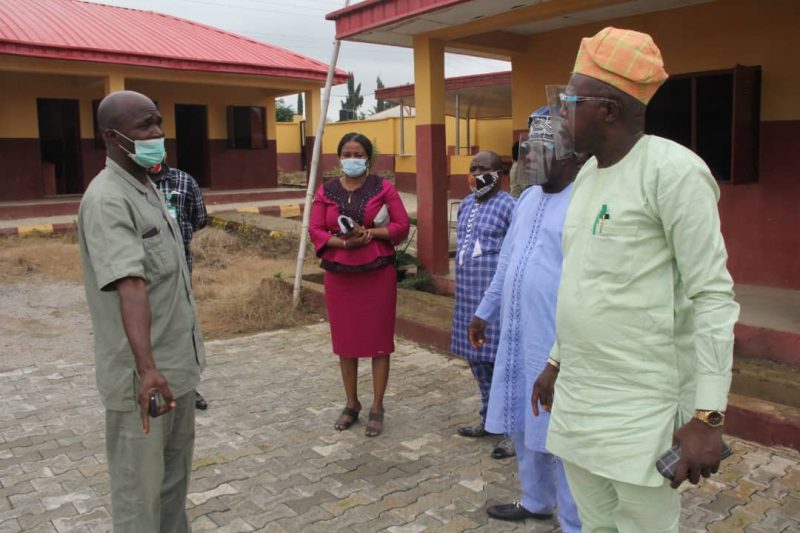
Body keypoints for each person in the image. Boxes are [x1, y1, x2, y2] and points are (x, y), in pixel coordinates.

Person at [532, 27, 739, 532]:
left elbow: (713, 296)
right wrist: (556, 361)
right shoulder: (586, 177)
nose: (560, 112)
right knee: (593, 524)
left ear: (607, 109)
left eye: (568, 100)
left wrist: (708, 416)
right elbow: (585, 282)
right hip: (581, 399)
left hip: (641, 409)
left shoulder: (674, 173)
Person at [78, 90, 205, 531]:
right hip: (144, 381)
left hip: (176, 371)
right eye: (144, 126)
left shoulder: (148, 186)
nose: (157, 133)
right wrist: (148, 369)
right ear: (113, 137)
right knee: (139, 499)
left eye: (158, 123)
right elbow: (130, 284)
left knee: (172, 487)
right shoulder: (108, 198)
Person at [468, 109, 581, 530]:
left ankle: (574, 522)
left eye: (539, 149)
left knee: (562, 433)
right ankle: (536, 501)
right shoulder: (527, 199)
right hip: (517, 335)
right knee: (522, 421)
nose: (527, 159)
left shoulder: (584, 199)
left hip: (557, 340)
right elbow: (508, 264)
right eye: (525, 150)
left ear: (570, 153)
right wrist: (484, 312)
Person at [309, 132, 410, 438]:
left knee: (379, 341)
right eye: (346, 153)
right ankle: (352, 403)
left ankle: (377, 406)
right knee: (346, 341)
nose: (351, 159)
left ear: (368, 157)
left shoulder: (383, 187)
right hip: (339, 274)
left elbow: (401, 225)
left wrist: (371, 234)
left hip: (377, 272)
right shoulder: (325, 191)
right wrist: (340, 241)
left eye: (358, 154)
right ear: (339, 157)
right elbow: (314, 227)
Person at [450, 151, 516, 459]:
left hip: (497, 305)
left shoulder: (510, 206)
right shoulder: (465, 204)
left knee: (503, 364)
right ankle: (489, 420)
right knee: (477, 362)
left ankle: (513, 431)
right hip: (467, 300)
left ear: (499, 172)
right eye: (472, 168)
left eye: (483, 168)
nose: (476, 173)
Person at [148, 161, 209, 410]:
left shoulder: (184, 181)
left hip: (181, 267)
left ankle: (186, 387)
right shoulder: (133, 185)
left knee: (183, 326)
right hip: (146, 271)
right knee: (151, 327)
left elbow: (200, 218)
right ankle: (152, 383)